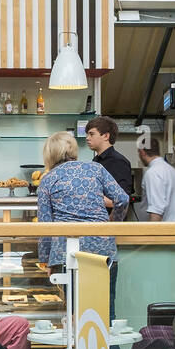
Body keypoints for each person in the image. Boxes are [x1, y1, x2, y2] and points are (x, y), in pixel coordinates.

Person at [37, 131, 129, 321]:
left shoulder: (47, 180)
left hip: (66, 252)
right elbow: (122, 198)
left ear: (50, 154)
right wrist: (112, 225)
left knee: (75, 313)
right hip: (102, 249)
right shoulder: (96, 169)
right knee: (106, 311)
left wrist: (46, 260)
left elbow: (45, 225)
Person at [85, 116, 134, 212]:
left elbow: (123, 200)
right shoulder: (96, 160)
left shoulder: (118, 161)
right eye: (87, 134)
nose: (87, 138)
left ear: (106, 136)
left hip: (110, 222)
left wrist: (92, 198)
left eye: (91, 134)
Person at [138, 139, 175, 222]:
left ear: (142, 152)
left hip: (163, 231)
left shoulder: (152, 173)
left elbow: (156, 209)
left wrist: (152, 234)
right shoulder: (173, 171)